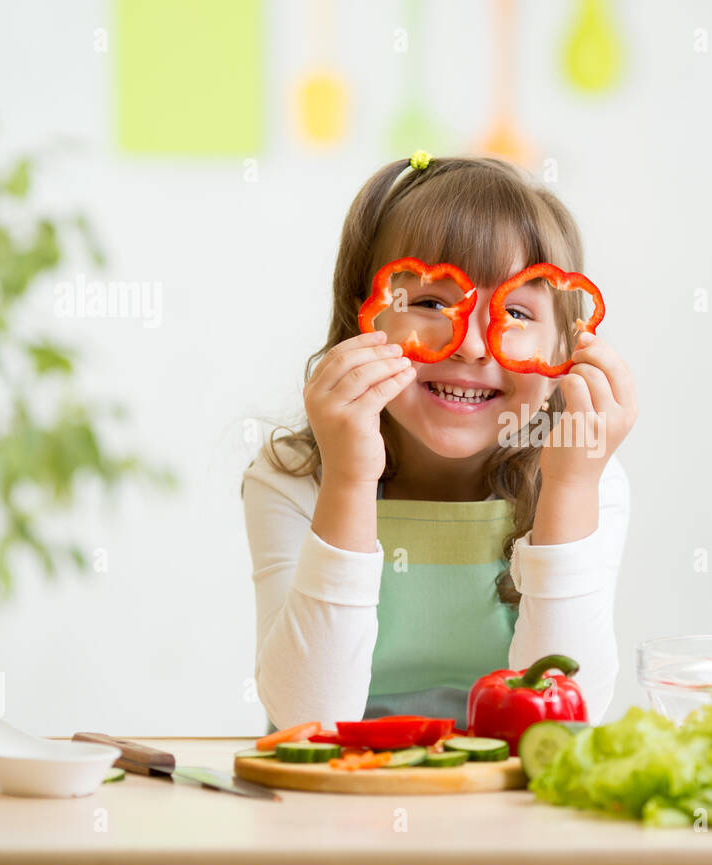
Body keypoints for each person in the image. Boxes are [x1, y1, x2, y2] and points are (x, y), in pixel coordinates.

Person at [241, 152, 637, 732]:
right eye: (431, 302)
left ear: (565, 348)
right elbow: (308, 719)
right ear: (365, 320)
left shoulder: (586, 479)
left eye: (519, 311)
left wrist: (571, 488)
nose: (474, 345)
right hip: (334, 806)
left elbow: (565, 720)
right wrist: (350, 480)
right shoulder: (293, 478)